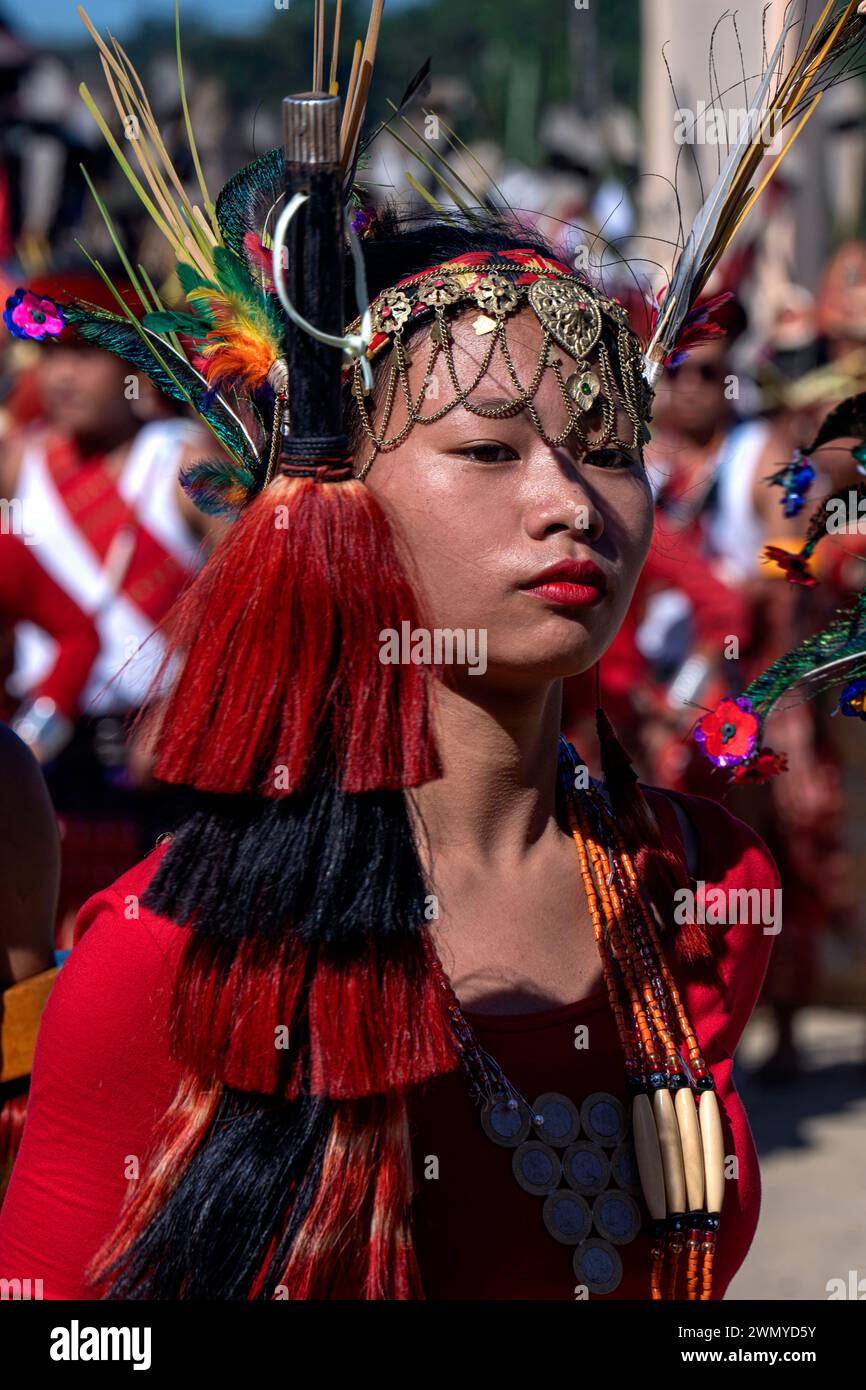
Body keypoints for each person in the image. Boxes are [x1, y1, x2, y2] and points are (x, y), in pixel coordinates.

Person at [1, 0, 858, 1305]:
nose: (571, 501)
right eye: (489, 449)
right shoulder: (166, 960)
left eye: (606, 449)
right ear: (341, 497)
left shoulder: (694, 884)